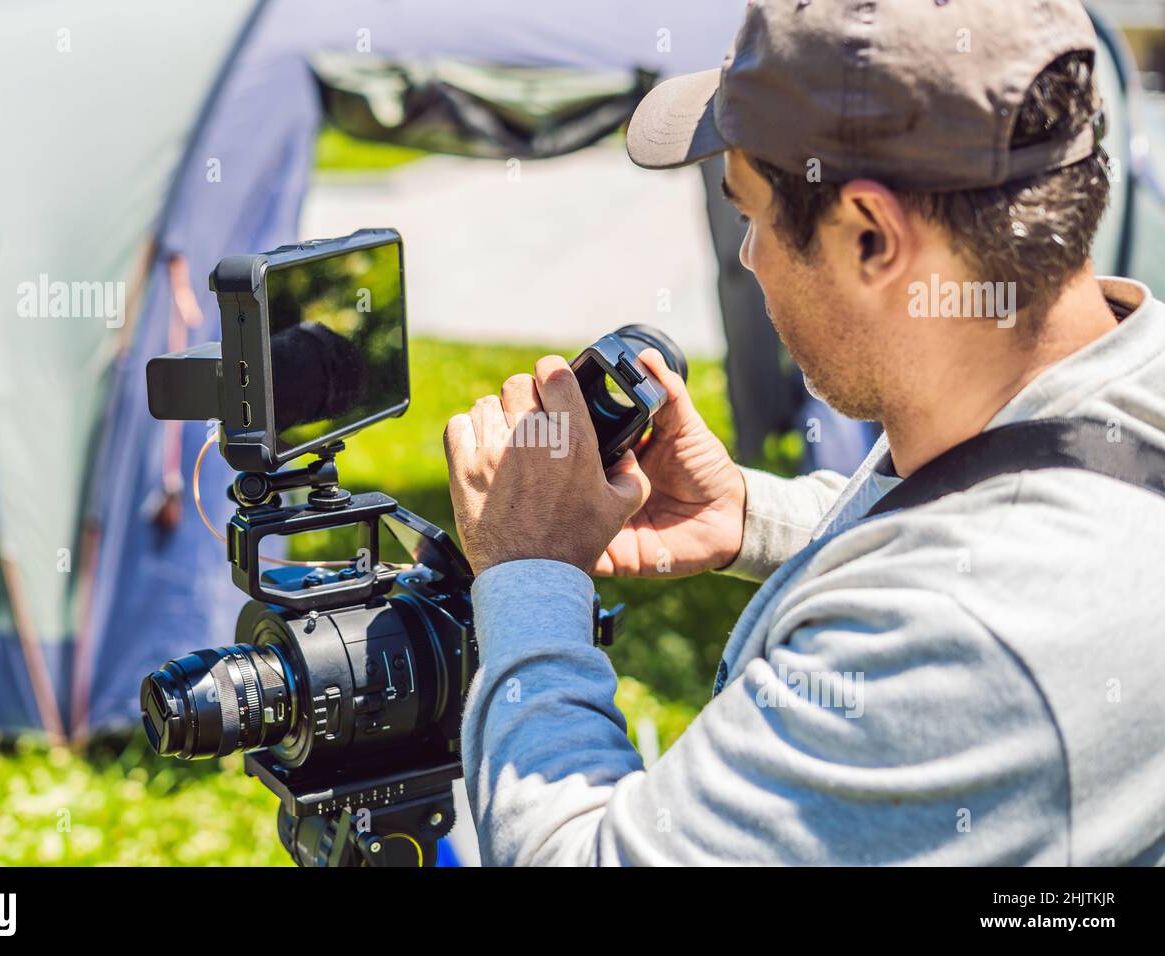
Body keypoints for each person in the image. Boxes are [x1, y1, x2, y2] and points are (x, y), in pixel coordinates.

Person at [442, 0, 1165, 865]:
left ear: (870, 237)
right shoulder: (1115, 390)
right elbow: (978, 511)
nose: (746, 258)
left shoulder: (953, 638)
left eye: (748, 213)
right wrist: (753, 514)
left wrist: (530, 575)